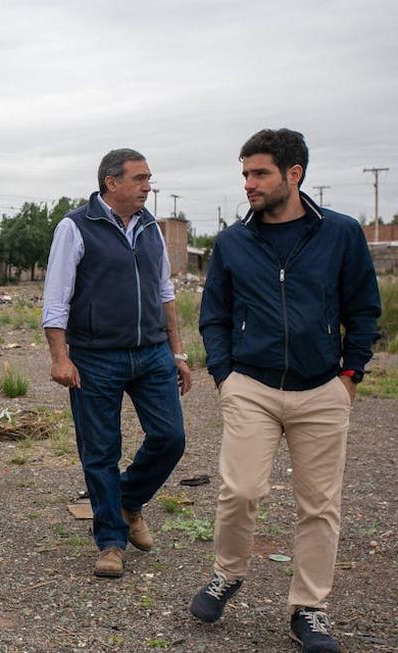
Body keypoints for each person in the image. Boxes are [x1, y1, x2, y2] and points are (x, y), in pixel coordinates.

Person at [190, 129, 381, 653]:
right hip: (251, 386)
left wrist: (350, 375)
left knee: (319, 504)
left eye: (260, 173)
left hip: (321, 389)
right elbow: (216, 316)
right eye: (245, 174)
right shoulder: (233, 241)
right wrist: (225, 376)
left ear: (293, 174)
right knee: (240, 490)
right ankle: (227, 573)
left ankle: (309, 609)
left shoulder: (340, 233)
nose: (249, 183)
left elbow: (363, 308)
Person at [42, 148, 191, 579]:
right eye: (140, 178)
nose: (148, 186)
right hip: (95, 357)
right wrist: (60, 357)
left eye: (148, 178)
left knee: (171, 437)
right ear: (112, 183)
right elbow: (56, 298)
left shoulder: (150, 228)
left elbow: (165, 292)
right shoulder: (75, 226)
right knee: (100, 451)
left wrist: (177, 352)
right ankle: (110, 540)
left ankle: (126, 500)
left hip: (151, 353)